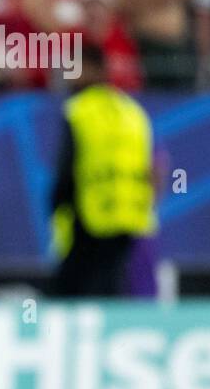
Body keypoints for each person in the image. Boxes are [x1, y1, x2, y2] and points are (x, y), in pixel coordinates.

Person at [50, 45, 156, 297]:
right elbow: (151, 166)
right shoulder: (132, 111)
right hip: (129, 216)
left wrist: (56, 203)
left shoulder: (79, 110)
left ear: (95, 69)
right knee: (114, 288)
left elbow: (68, 165)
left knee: (75, 290)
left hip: (89, 214)